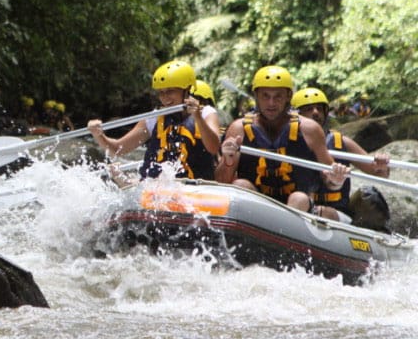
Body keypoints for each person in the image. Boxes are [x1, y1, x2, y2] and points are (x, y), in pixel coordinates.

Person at [216, 66, 349, 213]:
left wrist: (337, 180)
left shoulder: (309, 129)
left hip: (298, 207)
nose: (271, 103)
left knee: (298, 198)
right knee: (240, 185)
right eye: (265, 96)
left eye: (278, 96)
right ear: (256, 96)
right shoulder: (238, 129)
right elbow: (221, 182)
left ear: (288, 96)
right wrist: (228, 160)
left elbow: (329, 182)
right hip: (257, 205)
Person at [88, 60, 221, 180]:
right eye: (161, 92)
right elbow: (118, 149)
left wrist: (198, 118)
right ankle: (127, 181)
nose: (165, 97)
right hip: (157, 188)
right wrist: (99, 135)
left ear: (187, 90)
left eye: (170, 91)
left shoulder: (206, 113)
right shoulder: (154, 118)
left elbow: (213, 147)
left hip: (196, 187)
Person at [291, 86, 390, 223]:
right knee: (299, 201)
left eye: (319, 108)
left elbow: (378, 172)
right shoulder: (287, 141)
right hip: (298, 203)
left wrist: (381, 165)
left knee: (321, 211)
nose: (315, 113)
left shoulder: (340, 141)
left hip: (336, 211)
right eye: (308, 109)